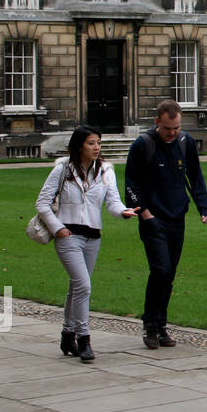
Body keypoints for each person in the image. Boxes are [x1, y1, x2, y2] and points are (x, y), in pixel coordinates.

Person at [35, 126, 138, 362]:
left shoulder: (106, 171)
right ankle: (84, 338)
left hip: (93, 237)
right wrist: (58, 228)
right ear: (80, 145)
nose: (96, 148)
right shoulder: (63, 170)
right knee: (83, 286)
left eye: (98, 143)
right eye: (91, 143)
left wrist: (123, 212)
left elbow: (112, 201)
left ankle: (67, 334)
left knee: (77, 287)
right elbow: (42, 203)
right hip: (69, 236)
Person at [125, 100, 207, 349]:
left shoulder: (185, 143)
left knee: (169, 274)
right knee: (160, 270)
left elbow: (195, 176)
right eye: (167, 129)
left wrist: (203, 208)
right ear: (157, 123)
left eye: (175, 128)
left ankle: (160, 325)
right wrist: (144, 213)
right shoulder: (143, 145)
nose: (171, 133)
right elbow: (132, 182)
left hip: (177, 217)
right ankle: (150, 324)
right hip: (153, 219)